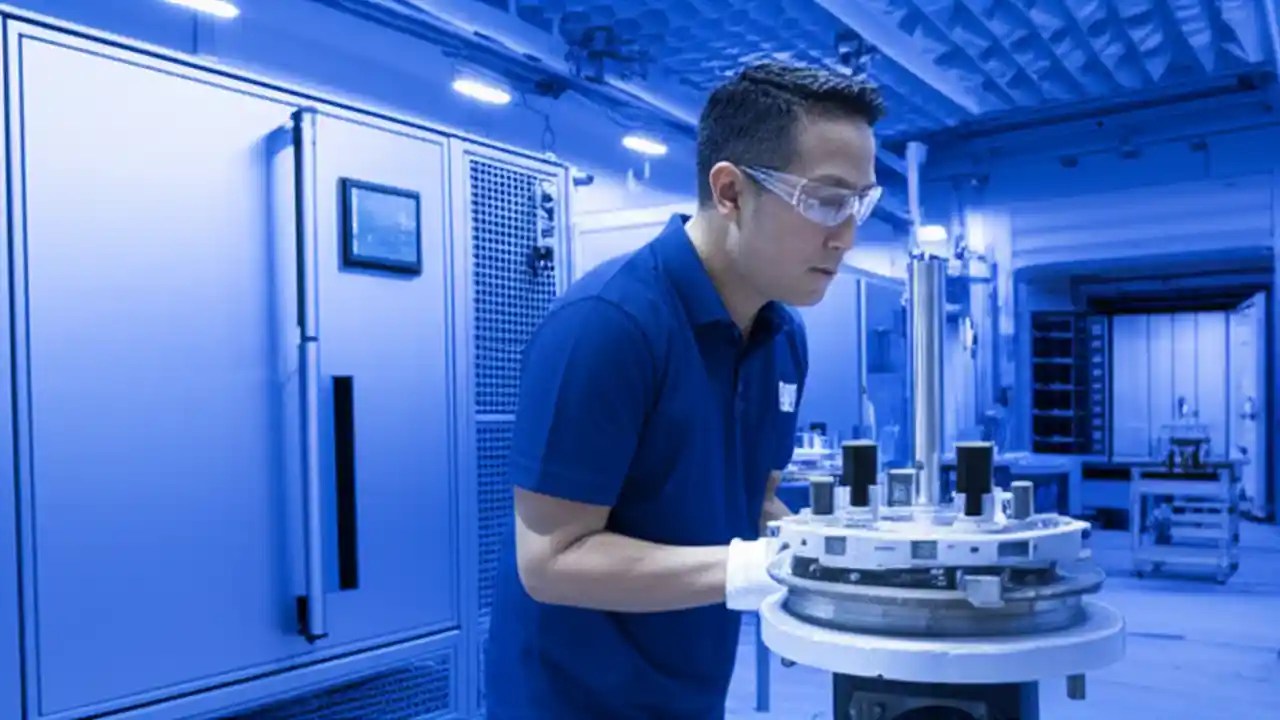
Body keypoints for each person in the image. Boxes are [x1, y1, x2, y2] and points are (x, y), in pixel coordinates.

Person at [484, 61, 885, 719]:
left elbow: (752, 501)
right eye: (825, 200)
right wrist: (759, 570)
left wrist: (833, 552)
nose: (846, 236)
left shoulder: (782, 336)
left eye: (859, 204)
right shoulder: (607, 327)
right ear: (729, 192)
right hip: (570, 701)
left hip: (691, 690)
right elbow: (550, 561)